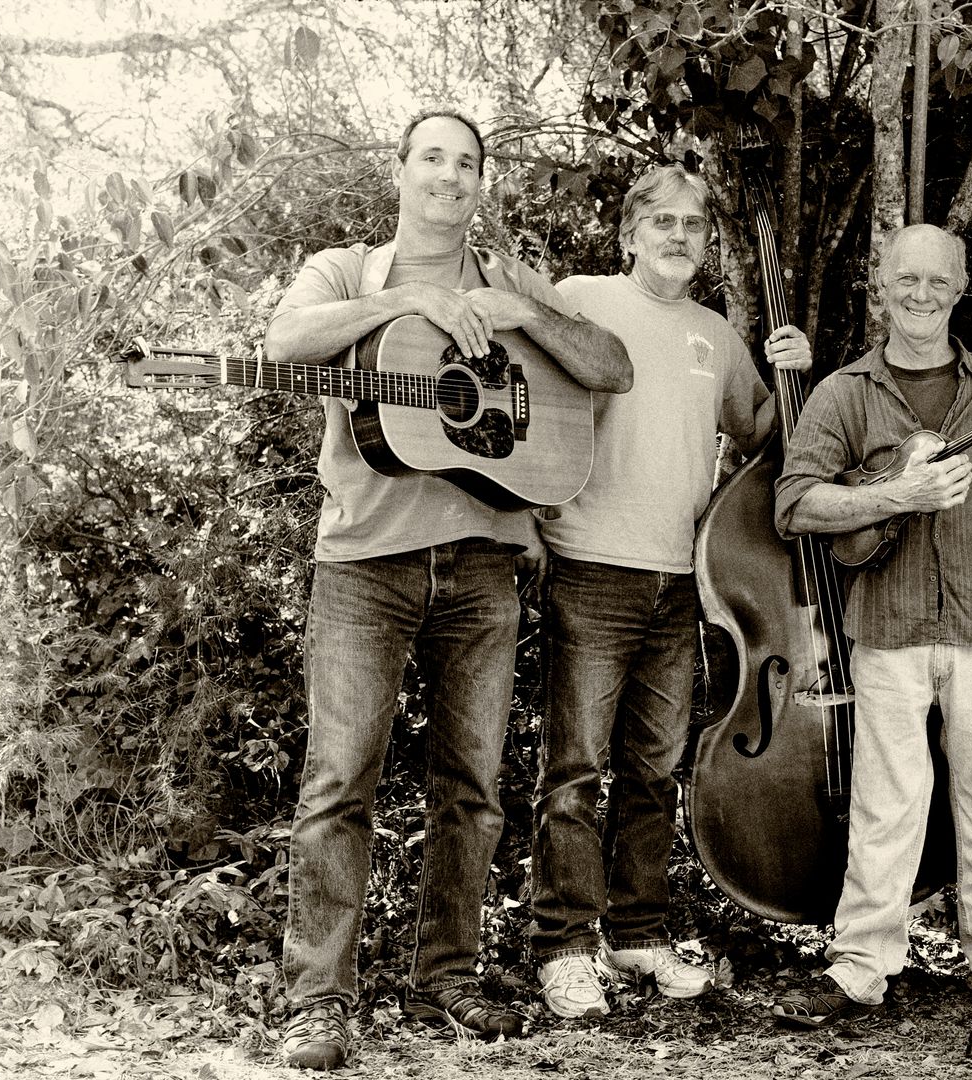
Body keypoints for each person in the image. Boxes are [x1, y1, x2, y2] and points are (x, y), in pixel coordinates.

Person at [266, 108, 634, 1071]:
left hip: (482, 567)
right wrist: (402, 310)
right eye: (432, 158)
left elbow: (610, 367)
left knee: (471, 787)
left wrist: (524, 316)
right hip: (364, 565)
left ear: (479, 183)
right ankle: (318, 998)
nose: (449, 175)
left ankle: (448, 974)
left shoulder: (506, 275)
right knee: (341, 782)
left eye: (466, 163)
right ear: (400, 171)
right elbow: (283, 339)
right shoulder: (348, 269)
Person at [528, 163, 812, 1019]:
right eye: (664, 222)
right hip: (589, 563)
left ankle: (639, 934)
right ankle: (565, 947)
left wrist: (793, 370)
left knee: (655, 770)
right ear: (630, 233)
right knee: (574, 769)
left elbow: (765, 437)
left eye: (694, 225)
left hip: (681, 578)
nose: (680, 236)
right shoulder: (581, 298)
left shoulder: (718, 335)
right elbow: (523, 404)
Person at [766, 223, 972, 1027]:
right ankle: (862, 965)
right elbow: (795, 503)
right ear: (881, 286)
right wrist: (895, 496)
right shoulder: (844, 392)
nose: (922, 295)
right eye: (907, 280)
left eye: (939, 281)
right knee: (886, 805)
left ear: (961, 288)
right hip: (887, 631)